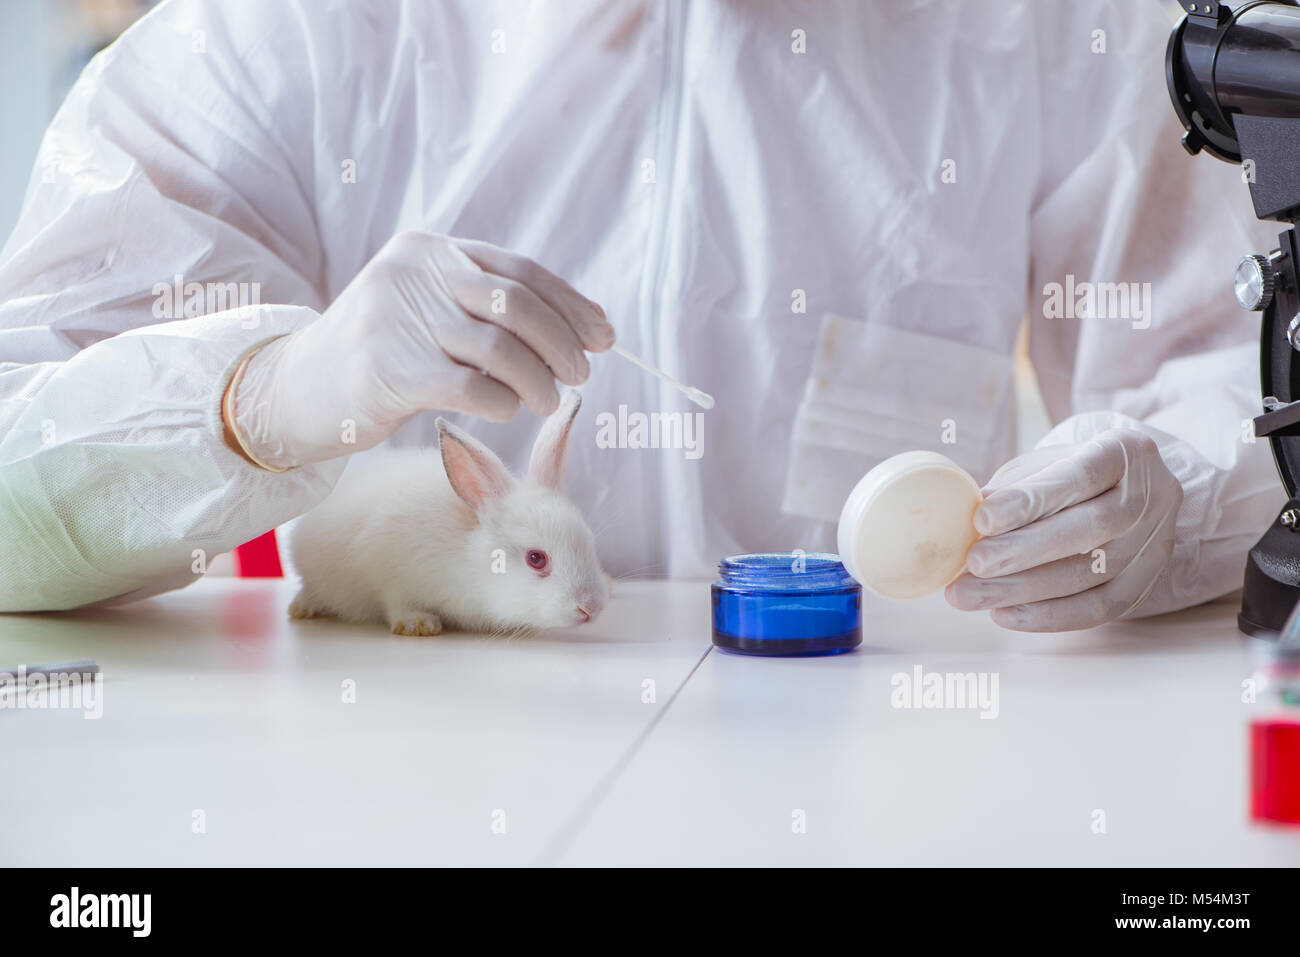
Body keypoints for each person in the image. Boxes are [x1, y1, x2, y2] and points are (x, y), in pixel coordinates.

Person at [0, 0, 1281, 631]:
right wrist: (262, 399)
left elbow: (1237, 376)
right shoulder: (277, 34)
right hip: (398, 811)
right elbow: (15, 478)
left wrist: (1169, 493)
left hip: (883, 787)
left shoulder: (1047, 28)